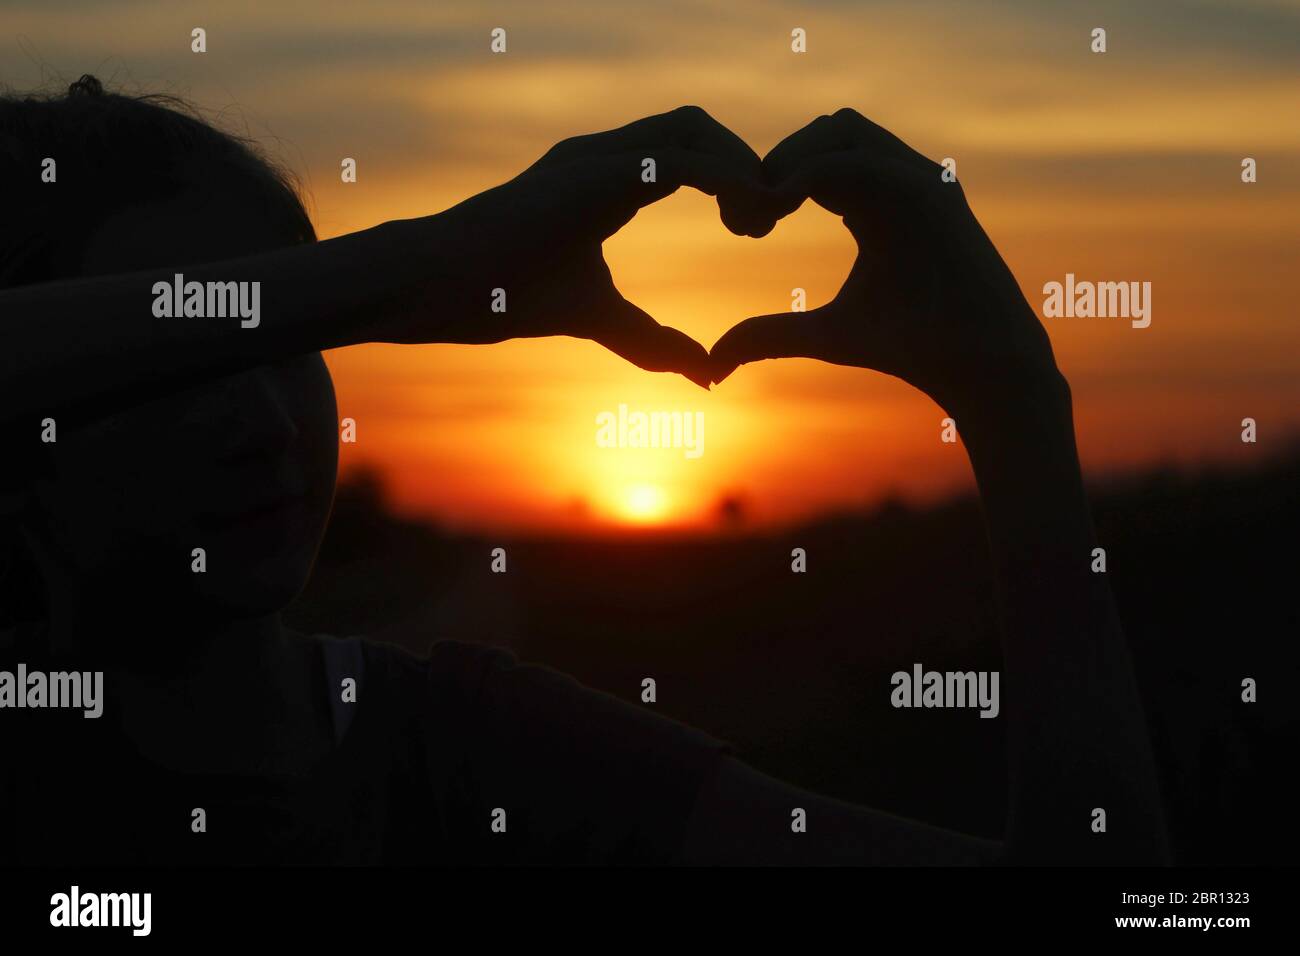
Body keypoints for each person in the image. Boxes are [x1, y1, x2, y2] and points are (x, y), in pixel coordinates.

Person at [0, 77, 1169, 865]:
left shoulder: (474, 752)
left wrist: (1017, 405)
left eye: (292, 344)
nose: (258, 420)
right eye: (183, 357)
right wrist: (433, 262)